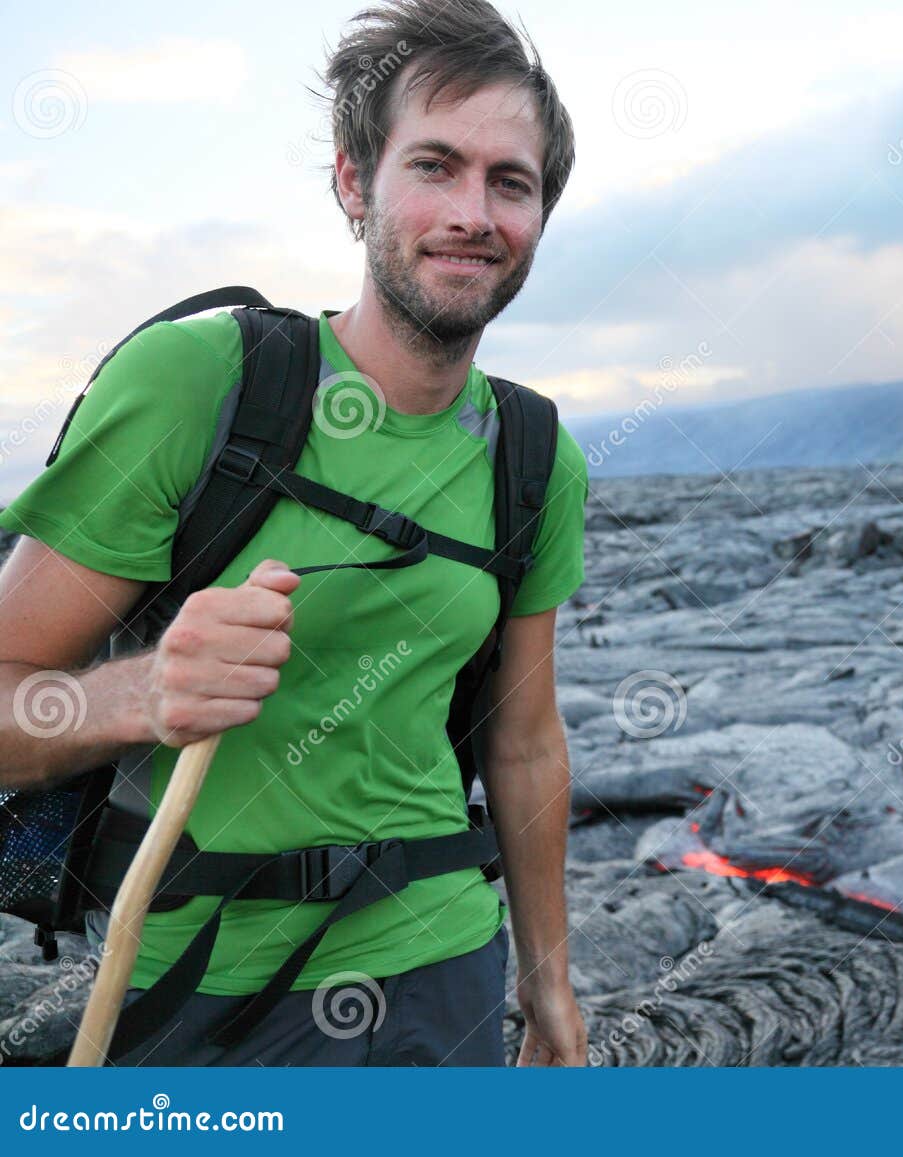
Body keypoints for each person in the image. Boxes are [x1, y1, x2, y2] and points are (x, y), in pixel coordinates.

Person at [0, 0, 588, 1066]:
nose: (474, 211)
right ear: (355, 184)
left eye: (512, 182)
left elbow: (525, 736)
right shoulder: (200, 383)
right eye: (434, 166)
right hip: (196, 979)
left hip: (442, 968)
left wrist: (548, 982)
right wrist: (135, 694)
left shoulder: (534, 454)